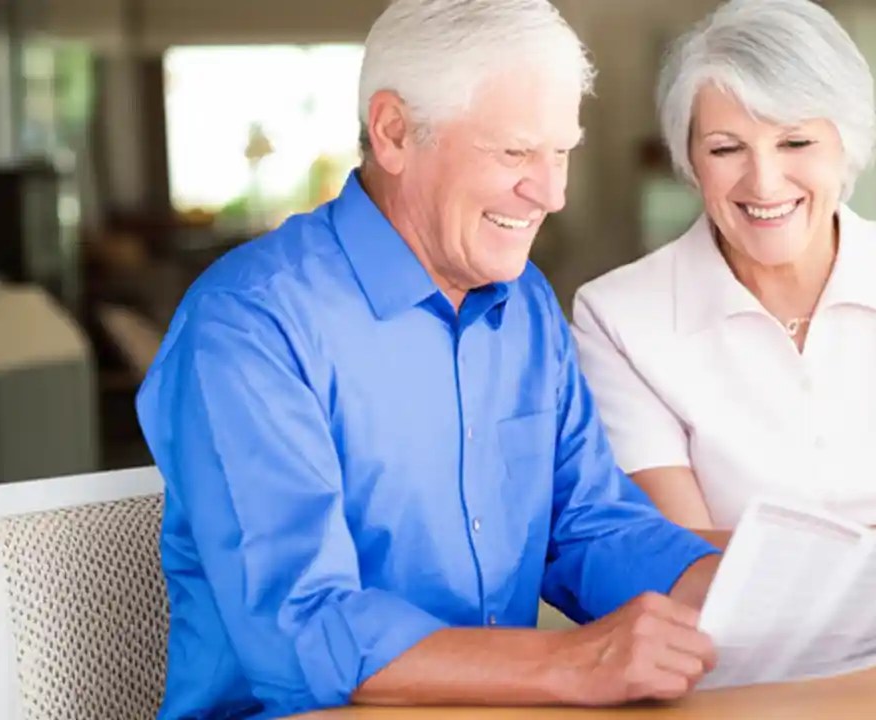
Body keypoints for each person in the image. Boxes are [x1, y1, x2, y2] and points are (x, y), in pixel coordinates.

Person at [136, 2, 722, 717]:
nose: (552, 192)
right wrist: (574, 660)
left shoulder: (526, 304)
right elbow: (302, 629)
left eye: (560, 151)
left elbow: (587, 524)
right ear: (393, 133)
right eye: (514, 153)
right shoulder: (251, 322)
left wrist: (735, 593)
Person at [572, 0, 876, 532]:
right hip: (728, 618)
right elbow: (683, 561)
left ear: (846, 144)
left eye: (795, 142)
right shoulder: (618, 318)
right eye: (726, 149)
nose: (764, 182)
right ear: (689, 159)